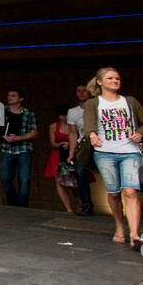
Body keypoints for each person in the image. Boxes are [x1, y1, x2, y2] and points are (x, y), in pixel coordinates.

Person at [81, 68, 143, 251]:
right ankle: (120, 226)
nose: (115, 81)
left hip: (130, 151)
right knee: (113, 193)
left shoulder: (130, 101)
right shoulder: (93, 103)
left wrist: (140, 134)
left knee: (130, 192)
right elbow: (89, 123)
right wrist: (92, 134)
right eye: (110, 78)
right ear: (99, 82)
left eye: (118, 78)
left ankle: (134, 234)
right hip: (105, 152)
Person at [0, 89, 37, 208]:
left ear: (21, 99)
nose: (10, 98)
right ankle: (14, 203)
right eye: (8, 95)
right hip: (6, 149)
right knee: (5, 178)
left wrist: (18, 138)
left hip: (23, 149)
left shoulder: (28, 114)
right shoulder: (1, 110)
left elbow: (34, 132)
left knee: (24, 179)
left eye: (13, 96)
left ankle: (22, 206)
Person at [65, 83, 93, 215]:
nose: (81, 93)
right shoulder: (73, 112)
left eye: (84, 91)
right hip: (82, 146)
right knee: (80, 173)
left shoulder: (97, 108)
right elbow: (72, 132)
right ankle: (86, 205)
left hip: (100, 145)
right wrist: (71, 152)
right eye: (79, 91)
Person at [46, 110, 76, 214]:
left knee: (75, 181)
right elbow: (52, 143)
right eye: (62, 115)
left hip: (72, 155)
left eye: (66, 115)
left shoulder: (73, 125)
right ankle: (68, 208)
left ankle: (80, 206)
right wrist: (62, 144)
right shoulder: (54, 126)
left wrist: (70, 144)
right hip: (58, 155)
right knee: (60, 181)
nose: (64, 117)